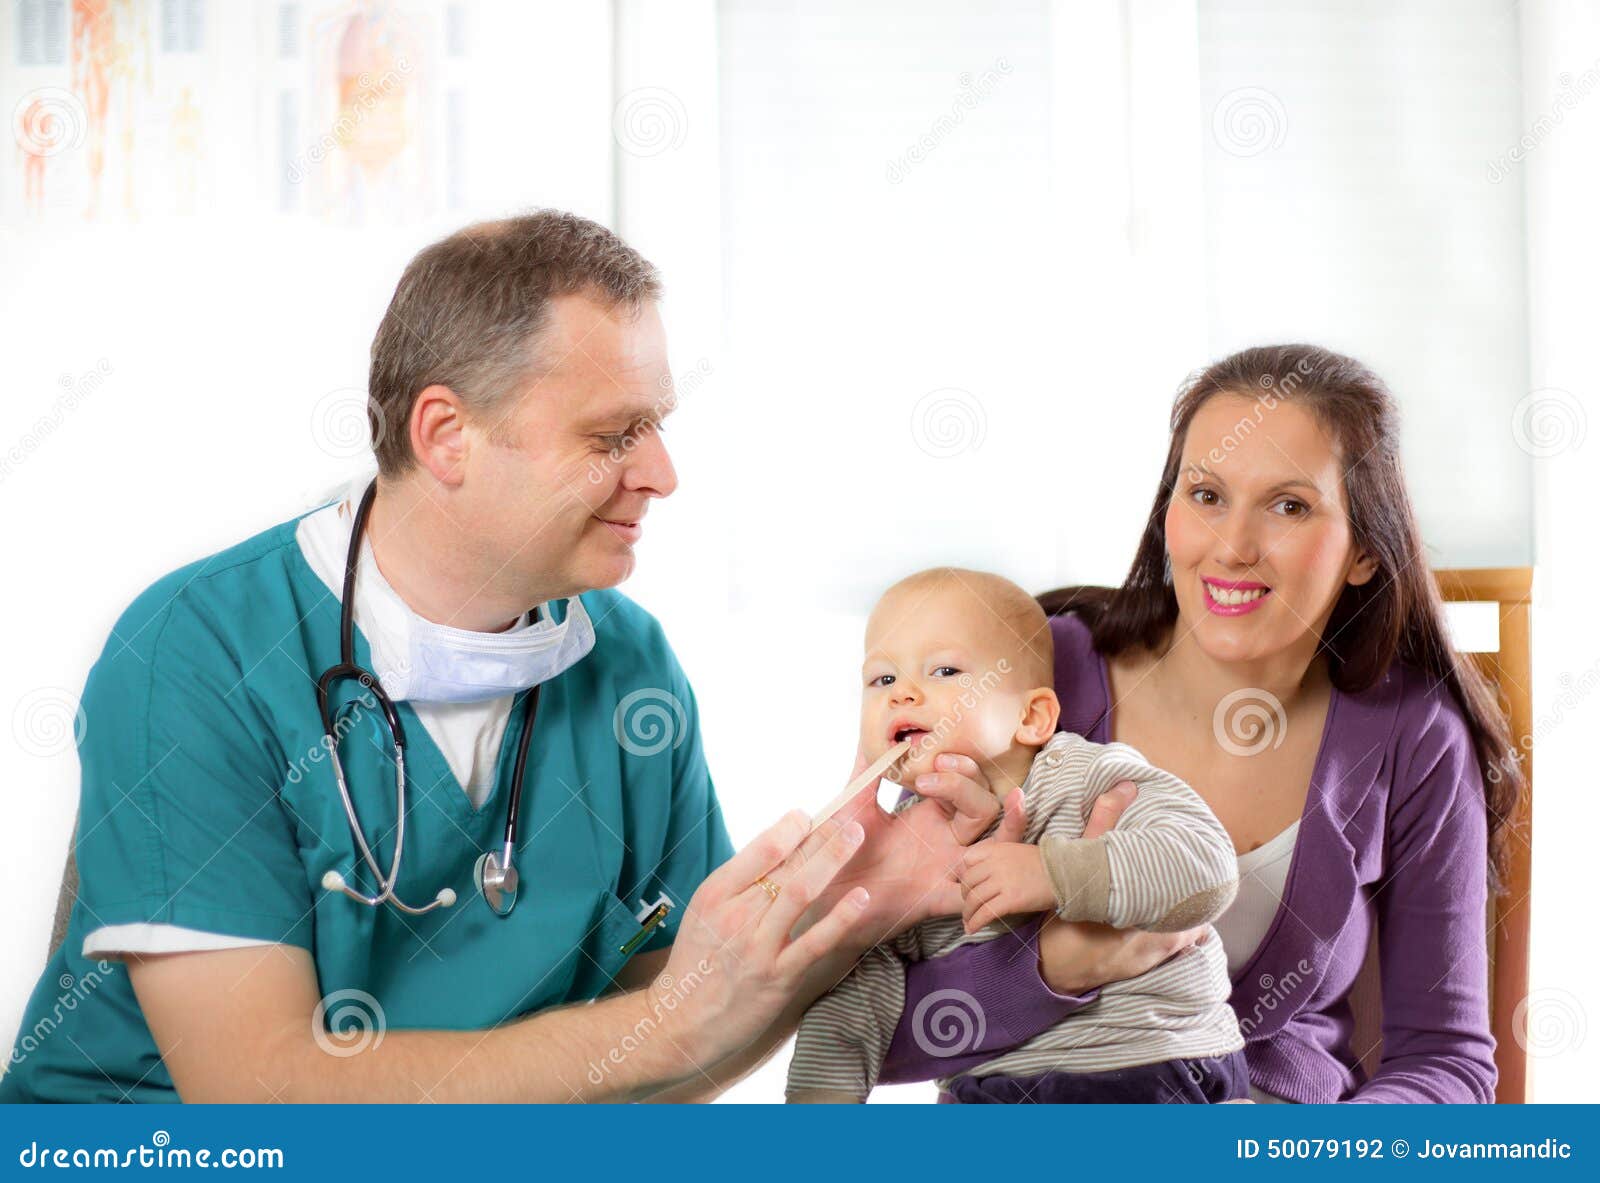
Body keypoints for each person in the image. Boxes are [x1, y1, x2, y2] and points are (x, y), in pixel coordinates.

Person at [6, 211, 1139, 1104]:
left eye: (658, 425)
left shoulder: (626, 665)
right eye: (612, 437)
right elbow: (261, 1100)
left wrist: (848, 910)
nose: (662, 474)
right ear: (446, 436)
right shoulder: (195, 656)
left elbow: (670, 1049)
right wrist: (667, 1026)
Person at [869, 346, 1518, 1104]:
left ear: (1367, 552)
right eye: (1206, 494)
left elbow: (1446, 1061)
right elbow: (877, 1036)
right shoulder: (1027, 682)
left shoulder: (1412, 733)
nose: (1233, 548)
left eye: (1289, 506)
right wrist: (1060, 966)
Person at [785, 569, 1247, 1104]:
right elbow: (851, 1012)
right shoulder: (897, 849)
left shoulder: (1085, 777)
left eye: (944, 670)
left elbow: (1208, 867)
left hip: (1148, 1063)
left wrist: (1052, 872)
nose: (902, 695)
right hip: (989, 1094)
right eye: (882, 679)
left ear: (1031, 716)